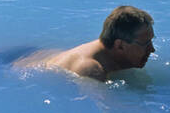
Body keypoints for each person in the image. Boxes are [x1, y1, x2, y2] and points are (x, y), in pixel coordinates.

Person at [15, 6, 156, 81]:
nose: (152, 49)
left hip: (34, 56)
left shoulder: (111, 49)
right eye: (145, 43)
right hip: (16, 70)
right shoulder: (91, 70)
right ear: (119, 45)